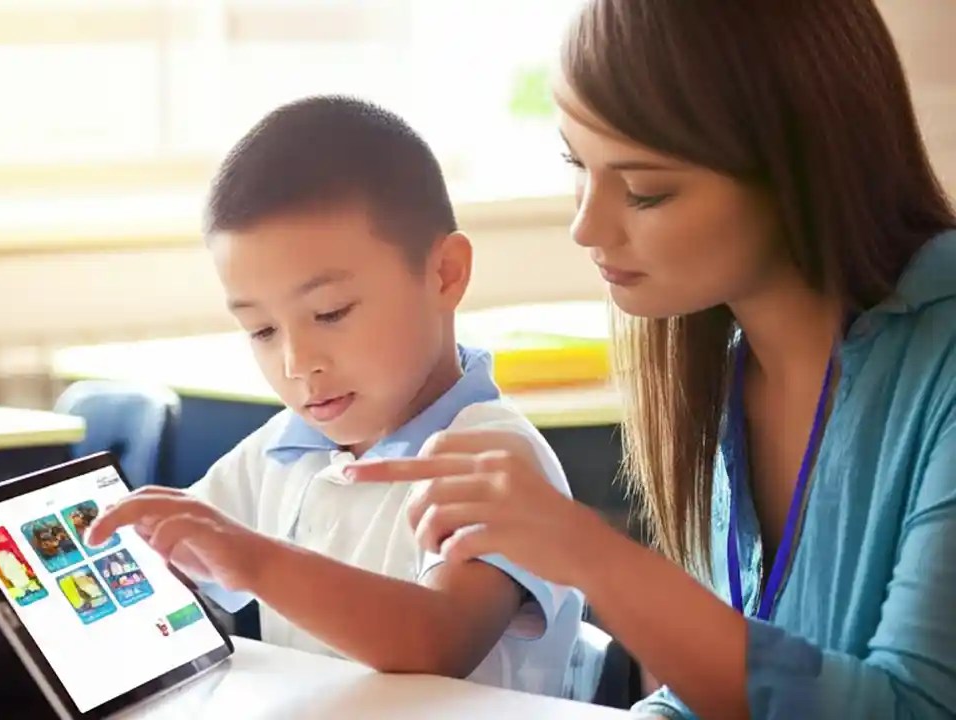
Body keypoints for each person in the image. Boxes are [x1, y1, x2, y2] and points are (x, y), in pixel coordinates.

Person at [346, 1, 956, 718]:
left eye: (645, 191)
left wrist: (591, 555)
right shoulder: (727, 361)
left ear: (803, 170)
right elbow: (726, 693)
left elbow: (913, 710)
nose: (585, 226)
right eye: (577, 162)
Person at [87, 95, 584, 695]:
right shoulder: (284, 448)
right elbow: (179, 570)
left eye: (330, 312)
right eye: (262, 331)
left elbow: (441, 639)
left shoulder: (491, 458)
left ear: (444, 275)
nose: (298, 364)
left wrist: (257, 561)